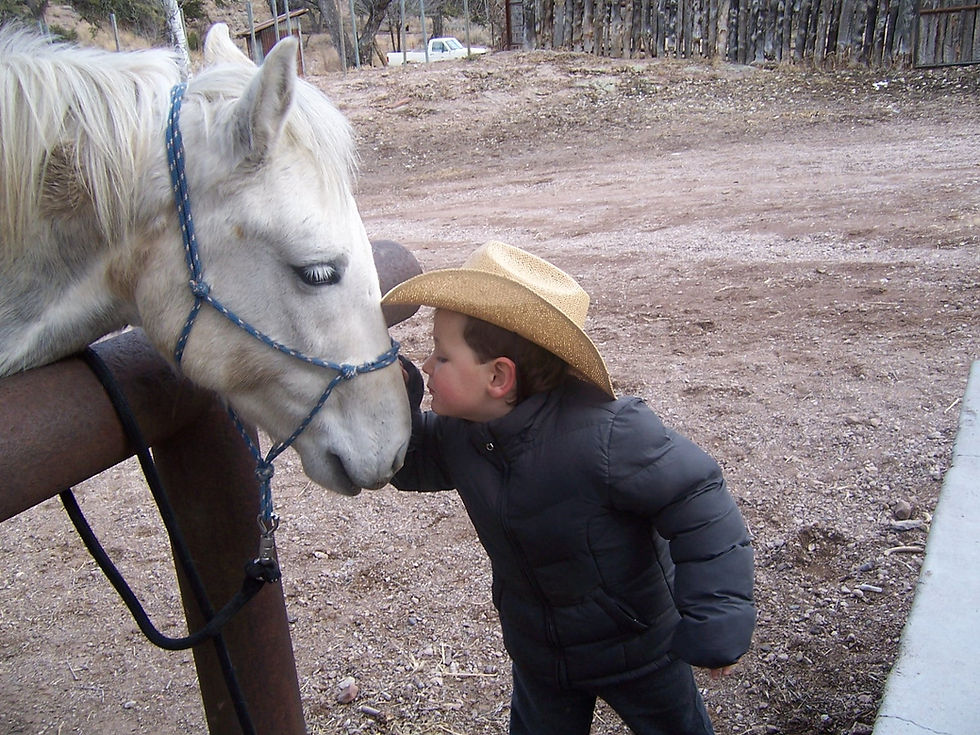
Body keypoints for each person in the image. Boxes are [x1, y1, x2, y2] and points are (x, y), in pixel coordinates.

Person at [382, 241, 755, 735]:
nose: (427, 364)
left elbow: (699, 502)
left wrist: (717, 619)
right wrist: (394, 387)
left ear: (498, 375)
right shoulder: (462, 434)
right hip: (540, 652)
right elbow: (407, 465)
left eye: (442, 356)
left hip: (638, 646)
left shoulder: (609, 435)